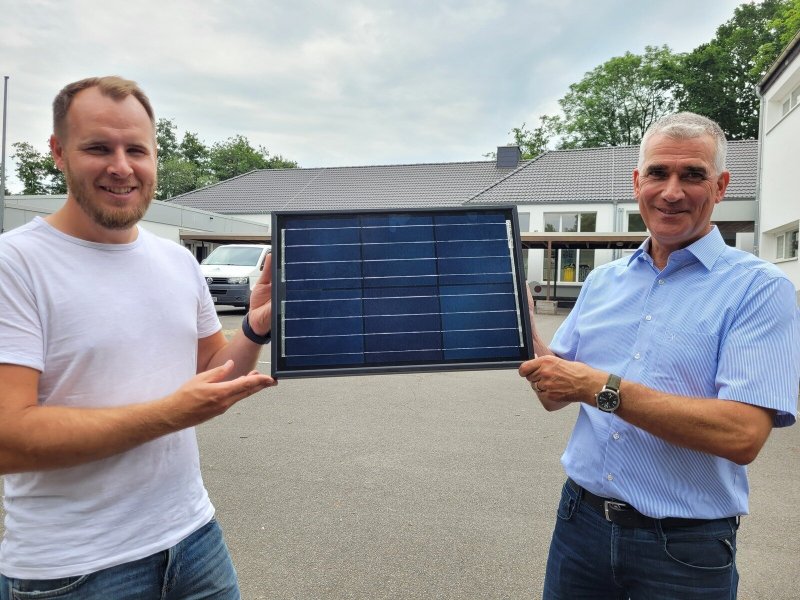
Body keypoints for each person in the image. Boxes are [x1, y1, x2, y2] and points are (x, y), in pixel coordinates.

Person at [0, 76, 277, 599]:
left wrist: (254, 327)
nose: (121, 167)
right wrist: (172, 412)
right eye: (98, 148)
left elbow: (213, 369)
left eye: (137, 150)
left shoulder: (175, 261)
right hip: (74, 569)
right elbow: (7, 439)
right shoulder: (14, 265)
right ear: (58, 152)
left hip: (194, 537)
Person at [519, 112, 799, 599]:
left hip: (686, 547)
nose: (672, 191)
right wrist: (522, 339)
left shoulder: (759, 289)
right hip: (579, 524)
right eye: (658, 173)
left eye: (692, 175)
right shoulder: (604, 281)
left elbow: (742, 435)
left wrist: (599, 388)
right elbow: (555, 393)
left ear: (721, 186)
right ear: (637, 182)